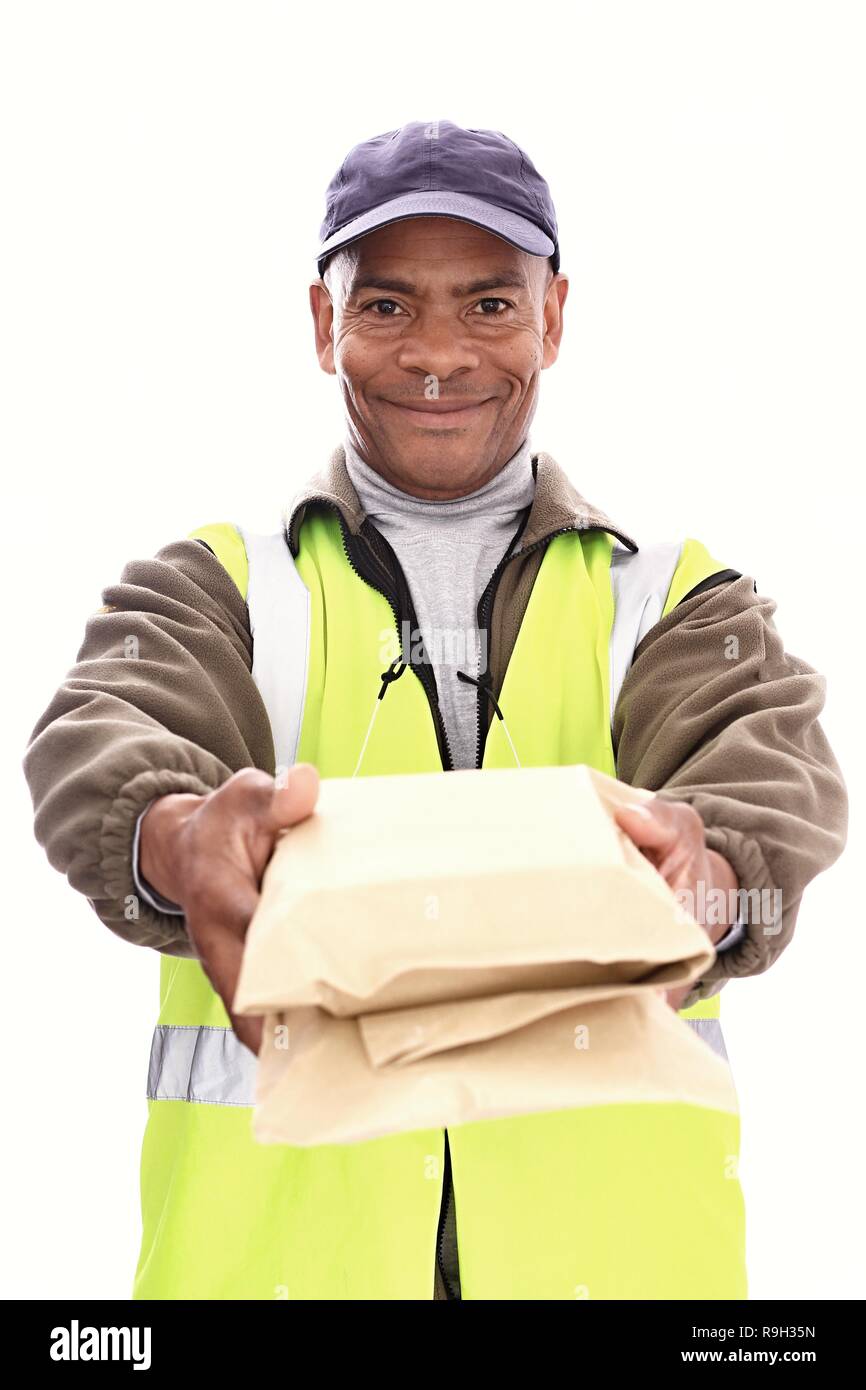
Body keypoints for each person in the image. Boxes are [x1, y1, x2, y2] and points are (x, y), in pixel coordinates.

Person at [24, 119, 847, 1301]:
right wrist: (175, 831)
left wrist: (711, 869)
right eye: (389, 306)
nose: (439, 354)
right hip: (279, 1275)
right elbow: (104, 725)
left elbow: (763, 760)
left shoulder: (665, 596)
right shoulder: (215, 586)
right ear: (324, 323)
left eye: (489, 305)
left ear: (553, 316)